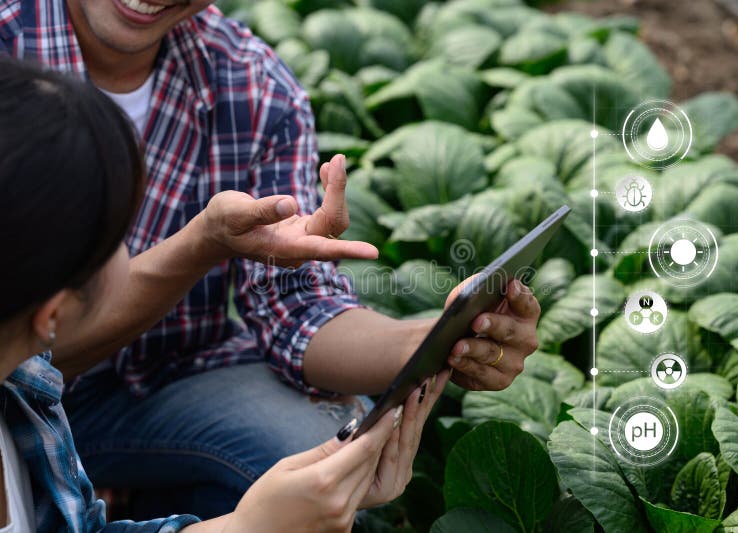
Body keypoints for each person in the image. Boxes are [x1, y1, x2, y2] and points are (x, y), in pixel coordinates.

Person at [0, 0, 542, 518]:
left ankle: (156, 511)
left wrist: (446, 338)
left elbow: (299, 311)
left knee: (321, 450)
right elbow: (31, 344)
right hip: (13, 380)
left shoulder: (253, 84)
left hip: (146, 393)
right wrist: (203, 242)